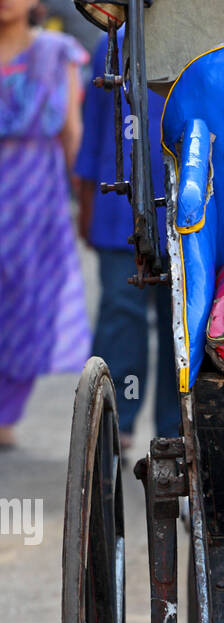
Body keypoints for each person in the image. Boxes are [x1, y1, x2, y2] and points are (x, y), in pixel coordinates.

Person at [75, 25, 178, 455]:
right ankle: (116, 421)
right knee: (122, 313)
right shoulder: (114, 42)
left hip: (186, 207)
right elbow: (96, 131)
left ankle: (176, 433)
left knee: (183, 328)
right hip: (121, 208)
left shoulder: (212, 39)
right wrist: (85, 201)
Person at [0, 0, 90, 447]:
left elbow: (71, 129)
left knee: (27, 303)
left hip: (37, 193)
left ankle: (6, 411)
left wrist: (86, 198)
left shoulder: (58, 51)